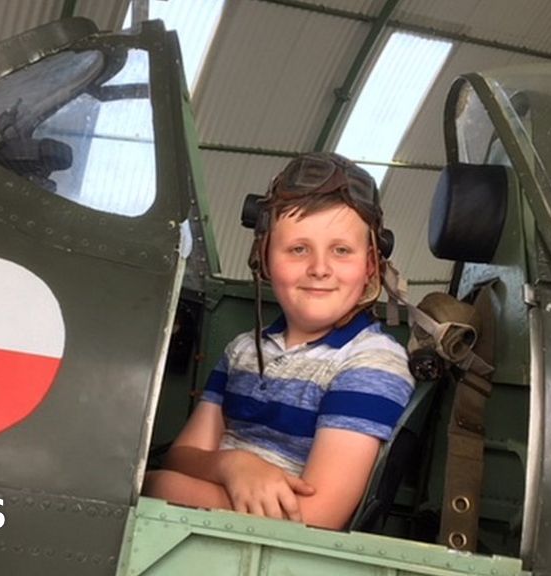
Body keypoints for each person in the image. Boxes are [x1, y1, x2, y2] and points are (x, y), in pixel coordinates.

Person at [143, 152, 414, 530]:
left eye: (341, 250)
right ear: (265, 258)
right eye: (298, 249)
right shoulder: (243, 350)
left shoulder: (372, 363)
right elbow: (182, 457)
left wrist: (163, 487)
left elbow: (317, 519)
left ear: (370, 265)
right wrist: (233, 465)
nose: (319, 268)